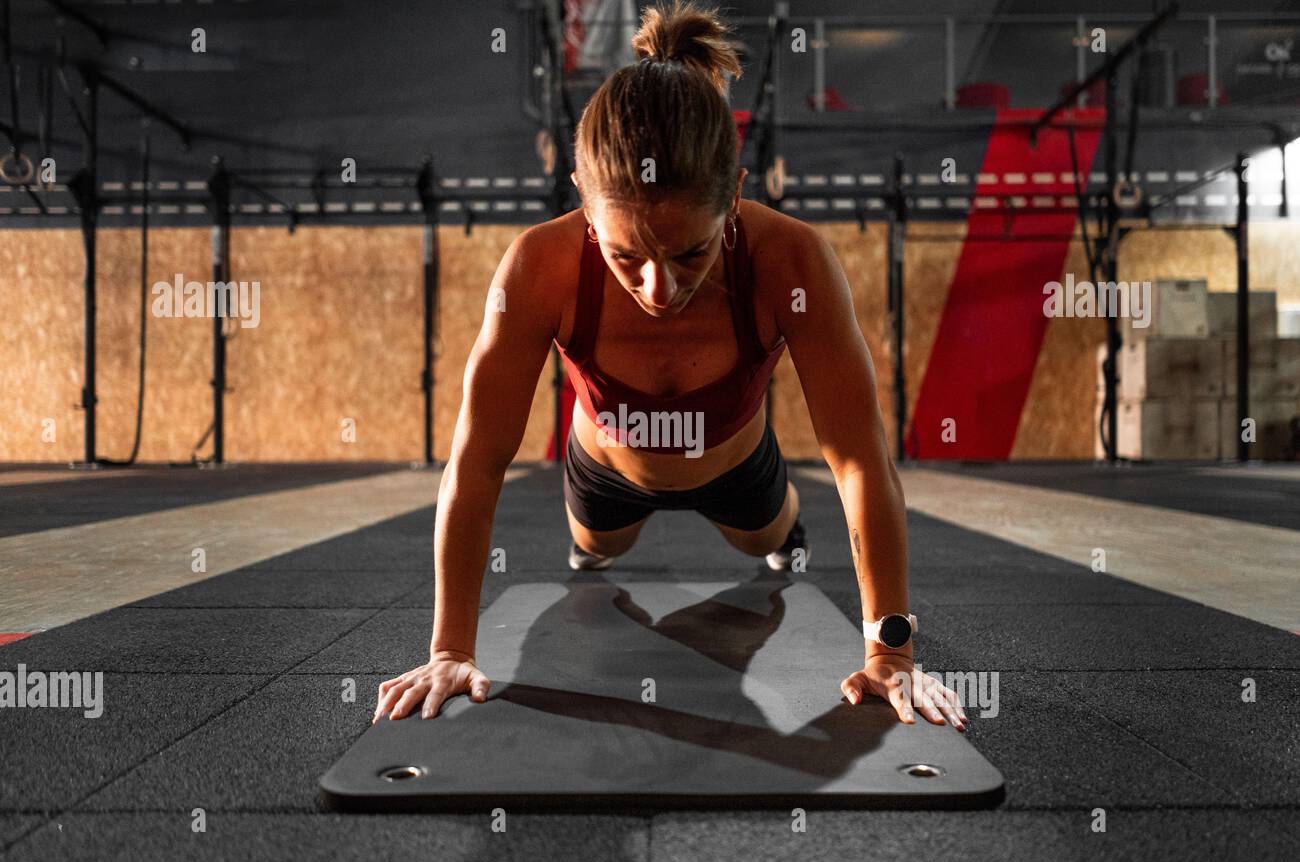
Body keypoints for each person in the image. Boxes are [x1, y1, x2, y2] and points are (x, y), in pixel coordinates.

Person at [374, 1, 967, 733]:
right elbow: (476, 460)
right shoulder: (539, 266)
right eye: (626, 256)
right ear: (586, 215)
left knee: (769, 538)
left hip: (740, 469)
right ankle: (591, 549)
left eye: (691, 253)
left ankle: (785, 539)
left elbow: (860, 462)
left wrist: (892, 654)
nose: (660, 289)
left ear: (736, 198)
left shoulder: (792, 261)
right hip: (604, 475)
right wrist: (449, 650)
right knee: (596, 548)